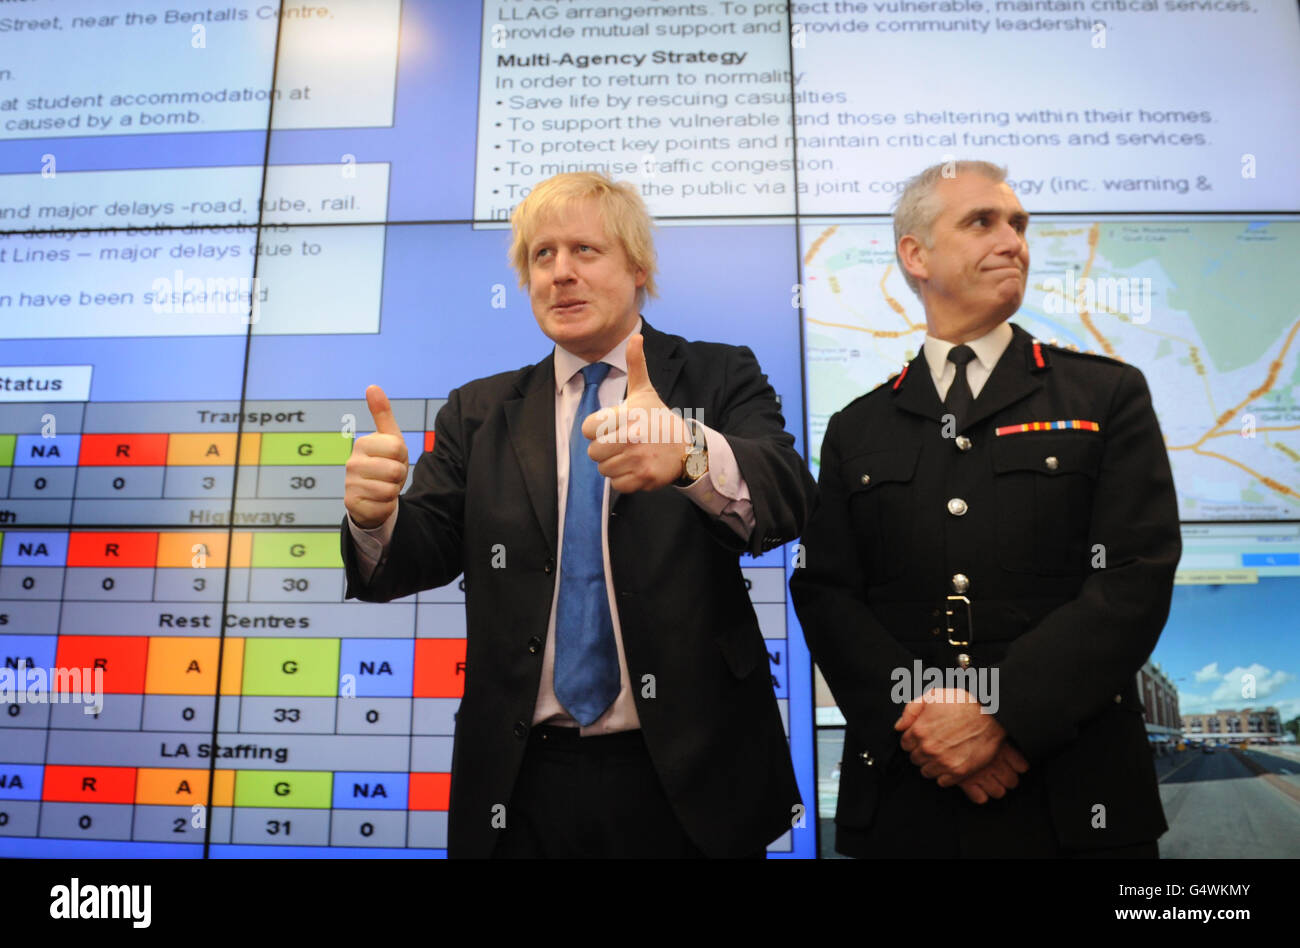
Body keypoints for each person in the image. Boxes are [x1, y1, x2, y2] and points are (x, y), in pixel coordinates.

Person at [341, 171, 815, 858]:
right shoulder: (478, 411)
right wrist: (373, 515)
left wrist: (687, 454)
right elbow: (415, 556)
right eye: (542, 255)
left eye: (585, 251)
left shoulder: (718, 375)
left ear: (639, 267)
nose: (560, 273)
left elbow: (787, 499)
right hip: (522, 781)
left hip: (691, 773)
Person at [790, 160, 1182, 858]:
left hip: (1076, 799)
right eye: (982, 222)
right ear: (916, 255)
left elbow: (1132, 578)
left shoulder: (1106, 396)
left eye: (1018, 225)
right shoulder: (858, 426)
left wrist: (1000, 712)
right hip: (909, 801)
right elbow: (828, 594)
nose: (1013, 241)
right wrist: (925, 729)